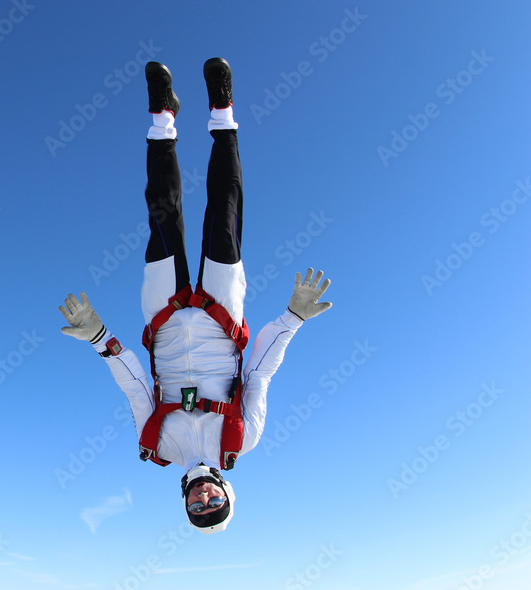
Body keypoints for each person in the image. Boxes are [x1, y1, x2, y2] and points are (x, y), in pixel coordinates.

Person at [58, 58, 333, 534]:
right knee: (222, 215)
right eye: (215, 504)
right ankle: (222, 111)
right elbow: (261, 371)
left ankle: (162, 117)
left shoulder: (158, 447)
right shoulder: (241, 440)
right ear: (226, 493)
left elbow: (134, 387)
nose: (205, 498)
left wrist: (99, 338)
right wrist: (292, 319)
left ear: (185, 502)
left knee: (163, 216)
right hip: (221, 314)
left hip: (163, 320)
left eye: (197, 508)